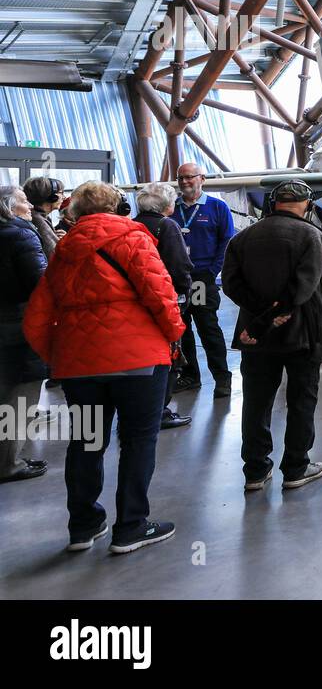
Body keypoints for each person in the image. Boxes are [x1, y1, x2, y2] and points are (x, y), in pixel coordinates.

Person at [23, 180, 186, 554]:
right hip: (139, 359)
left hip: (79, 366)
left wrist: (60, 354)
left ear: (75, 212)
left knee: (86, 441)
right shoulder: (136, 238)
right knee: (138, 440)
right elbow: (160, 295)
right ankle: (130, 526)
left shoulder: (63, 250)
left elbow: (36, 318)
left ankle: (83, 526)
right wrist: (174, 335)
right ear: (119, 207)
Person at [223, 179, 322, 492]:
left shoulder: (243, 237)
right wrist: (276, 314)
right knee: (301, 400)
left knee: (256, 402)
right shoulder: (312, 235)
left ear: (273, 203)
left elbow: (231, 284)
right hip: (302, 335)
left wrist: (259, 319)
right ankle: (296, 468)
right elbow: (302, 288)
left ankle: (256, 471)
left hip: (254, 338)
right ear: (308, 205)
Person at [170, 163, 235, 397]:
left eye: (189, 177)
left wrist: (211, 272)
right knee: (182, 329)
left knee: (208, 328)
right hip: (177, 281)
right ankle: (189, 376)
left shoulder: (217, 207)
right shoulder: (172, 208)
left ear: (202, 179)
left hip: (201, 279)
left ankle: (222, 378)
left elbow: (227, 241)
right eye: (180, 178)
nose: (185, 182)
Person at [135, 182, 193, 430]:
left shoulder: (132, 225)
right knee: (170, 354)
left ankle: (143, 408)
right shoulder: (167, 226)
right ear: (168, 206)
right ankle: (159, 411)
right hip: (165, 299)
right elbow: (179, 265)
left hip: (139, 301)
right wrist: (184, 294)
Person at [0, 185, 48, 483]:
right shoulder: (21, 234)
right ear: (8, 206)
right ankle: (8, 463)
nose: (30, 205)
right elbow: (41, 283)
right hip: (18, 325)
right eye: (23, 201)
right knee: (21, 399)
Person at [22, 176, 63, 260]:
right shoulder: (38, 220)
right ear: (52, 197)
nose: (64, 197)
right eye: (61, 193)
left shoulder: (40, 216)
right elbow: (54, 255)